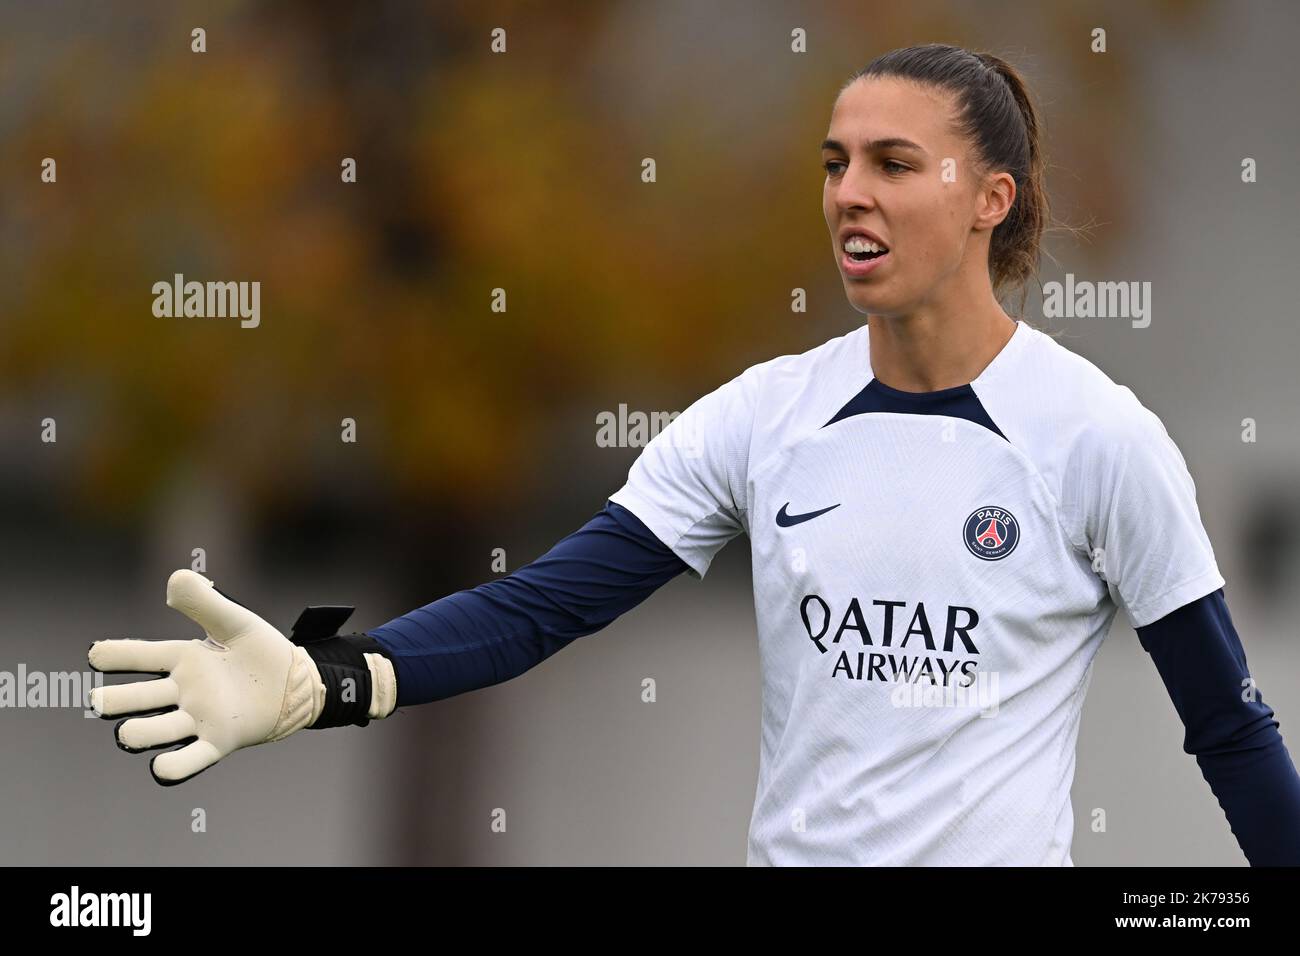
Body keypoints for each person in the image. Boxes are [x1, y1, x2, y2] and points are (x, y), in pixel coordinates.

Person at [88, 43, 1300, 866]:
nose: (847, 195)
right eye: (834, 164)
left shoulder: (1097, 439)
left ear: (992, 196)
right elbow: (543, 605)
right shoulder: (765, 416)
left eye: (890, 163)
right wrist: (329, 676)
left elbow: (1230, 730)